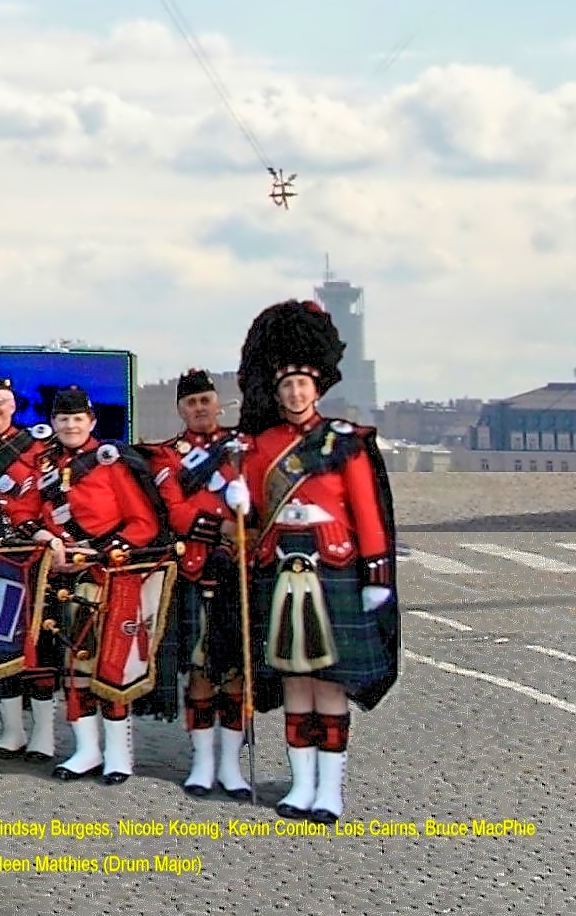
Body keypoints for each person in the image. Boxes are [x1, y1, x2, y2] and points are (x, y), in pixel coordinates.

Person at [237, 301, 397, 826]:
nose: (295, 393)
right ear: (276, 391)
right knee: (292, 684)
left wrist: (377, 575)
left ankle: (330, 789)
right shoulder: (259, 447)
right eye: (286, 386)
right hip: (281, 568)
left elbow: (368, 514)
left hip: (335, 570)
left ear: (317, 388)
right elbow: (256, 515)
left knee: (330, 684)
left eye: (302, 385)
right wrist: (238, 507)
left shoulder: (344, 442)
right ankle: (301, 784)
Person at [18, 385, 167, 785]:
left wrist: (101, 553)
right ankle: (86, 750)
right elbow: (25, 514)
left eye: (77, 419)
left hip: (109, 577)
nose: (69, 425)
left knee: (111, 668)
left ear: (92, 422)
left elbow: (143, 523)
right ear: (52, 423)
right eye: (62, 419)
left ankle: (119, 754)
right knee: (75, 666)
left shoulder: (110, 463)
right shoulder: (44, 466)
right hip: (65, 578)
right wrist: (48, 539)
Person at [145, 367, 251, 800]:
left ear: (217, 403)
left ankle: (231, 766)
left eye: (205, 400)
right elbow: (177, 511)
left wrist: (250, 511)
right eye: (191, 403)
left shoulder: (242, 449)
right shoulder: (168, 455)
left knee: (237, 671)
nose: (199, 408)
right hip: (197, 569)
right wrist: (225, 526)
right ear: (180, 409)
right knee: (201, 668)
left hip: (240, 571)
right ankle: (203, 763)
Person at [0, 369, 58, 760]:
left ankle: (45, 736)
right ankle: (13, 732)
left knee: (38, 645)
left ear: (14, 404)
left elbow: (53, 498)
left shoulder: (38, 447)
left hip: (32, 555)